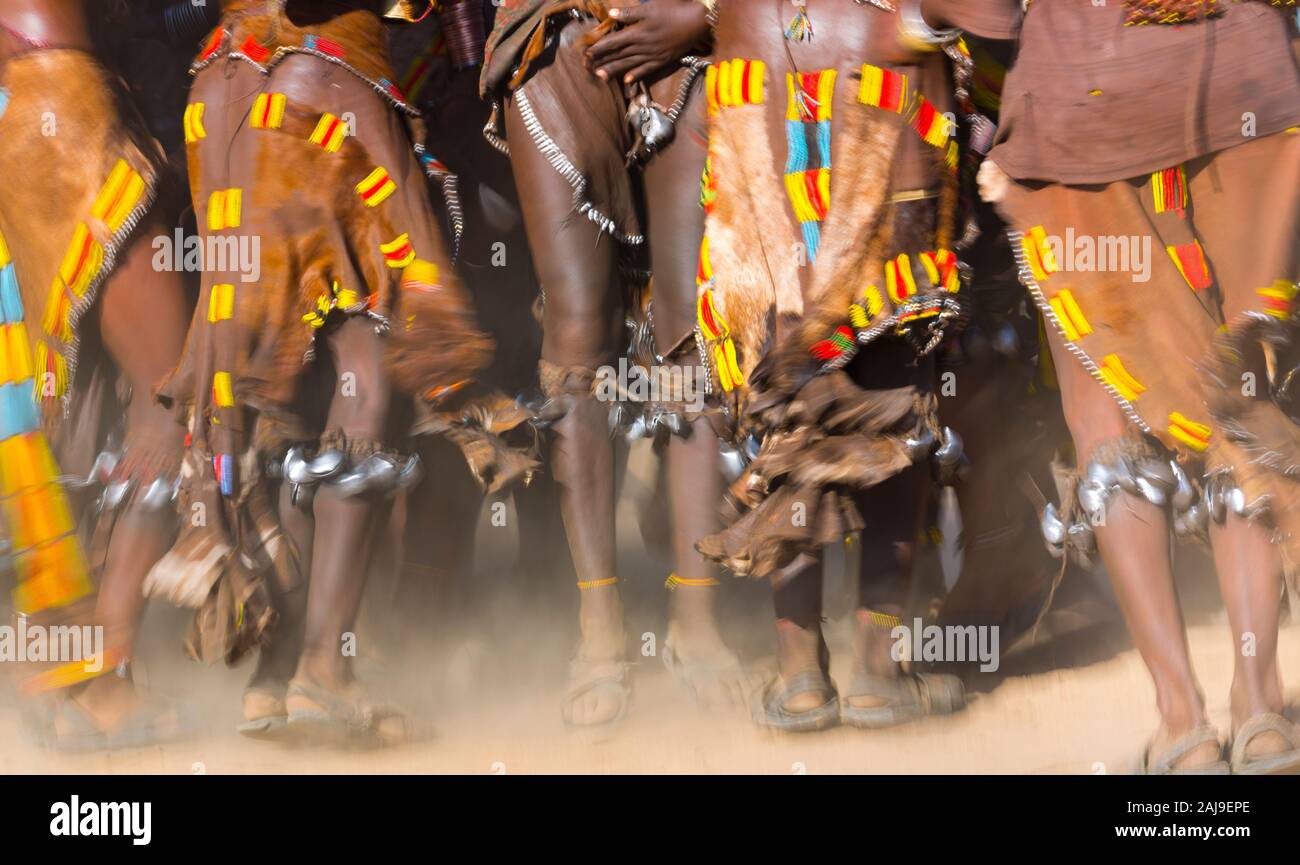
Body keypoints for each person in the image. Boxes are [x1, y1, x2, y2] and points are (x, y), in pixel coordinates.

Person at [924, 0, 1300, 773]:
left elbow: (989, 17)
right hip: (1247, 93)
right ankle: (1260, 709)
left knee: (1109, 435)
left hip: (1081, 110)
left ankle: (1182, 724)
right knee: (1246, 396)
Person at [150, 0, 520, 747]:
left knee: (276, 380)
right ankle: (326, 670)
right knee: (369, 373)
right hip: (324, 87)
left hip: (221, 90)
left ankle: (272, 677)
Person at [618, 0, 970, 731]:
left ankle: (800, 673)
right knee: (893, 395)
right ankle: (875, 667)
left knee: (789, 387)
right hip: (879, 90)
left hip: (757, 98)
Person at [483, 0, 751, 726]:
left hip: (695, 48)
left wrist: (707, 14)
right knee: (578, 342)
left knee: (690, 327)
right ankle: (599, 628)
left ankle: (695, 617)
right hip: (554, 42)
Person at [0, 0, 195, 748]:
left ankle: (58, 668)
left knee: (66, 403)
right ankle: (104, 683)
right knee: (170, 396)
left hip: (19, 108)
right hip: (66, 107)